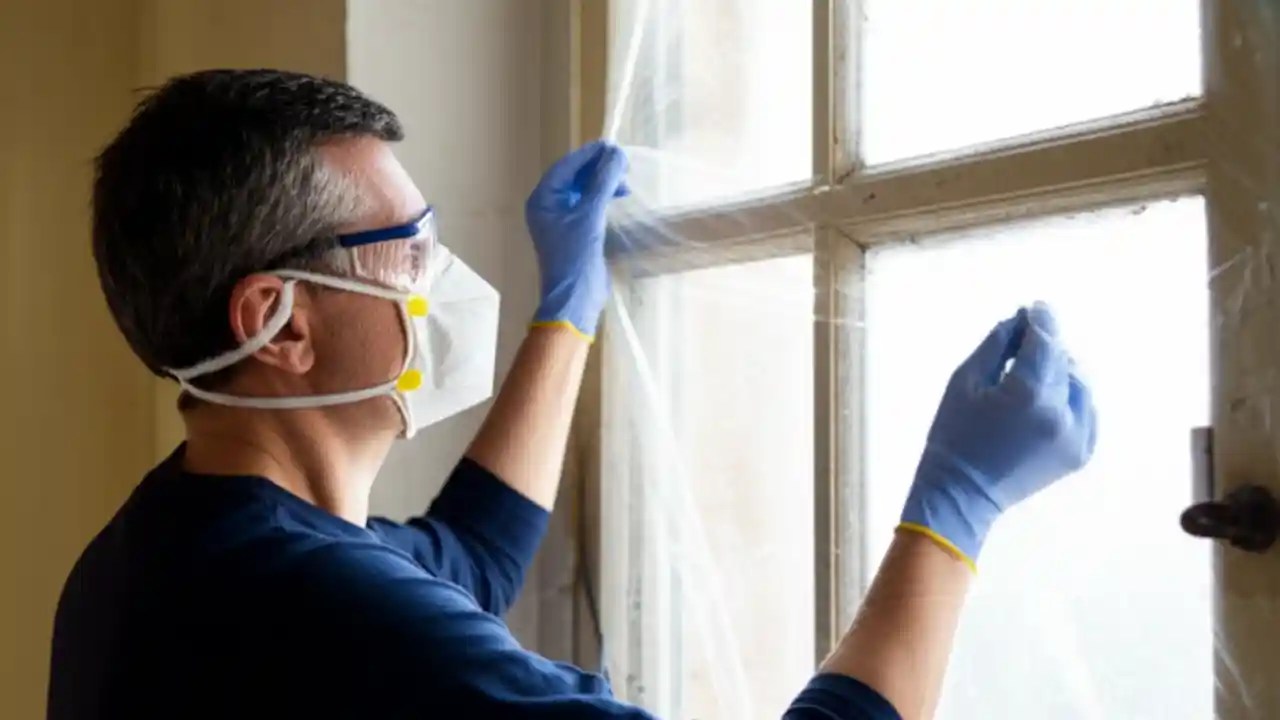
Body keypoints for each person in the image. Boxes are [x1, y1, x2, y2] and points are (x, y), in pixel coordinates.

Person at [49, 69, 1096, 719]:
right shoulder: (310, 605)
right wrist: (951, 515)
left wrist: (571, 305)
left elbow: (470, 558)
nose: (441, 276)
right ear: (278, 319)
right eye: (408, 249)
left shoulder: (184, 537)